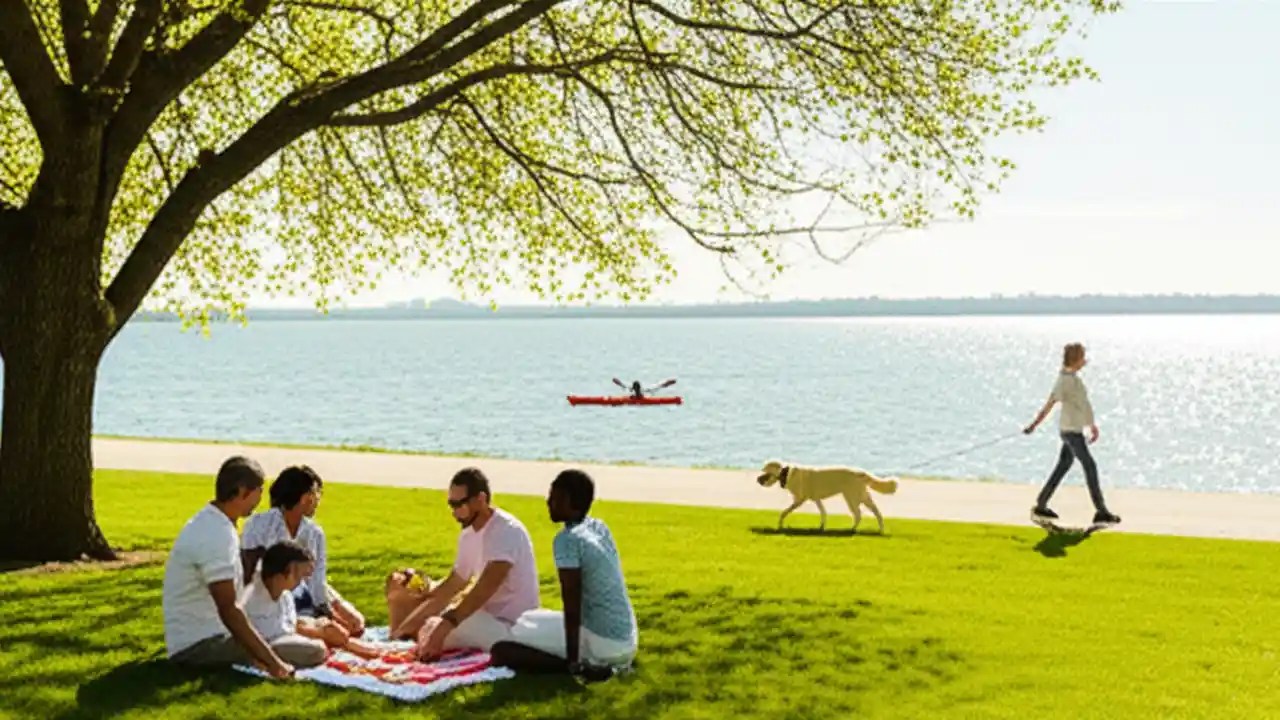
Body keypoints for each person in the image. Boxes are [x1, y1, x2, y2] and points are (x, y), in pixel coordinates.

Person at [162, 456, 324, 676]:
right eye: (258, 490)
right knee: (313, 651)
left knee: (297, 636)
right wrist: (275, 664)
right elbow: (228, 608)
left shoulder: (214, 523)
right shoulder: (215, 533)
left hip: (210, 635)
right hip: (200, 645)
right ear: (241, 491)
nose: (260, 498)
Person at [490, 469, 639, 681]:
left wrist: (573, 659)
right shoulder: (598, 527)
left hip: (604, 645)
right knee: (526, 619)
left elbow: (572, 602)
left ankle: (582, 668)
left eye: (555, 498)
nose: (548, 502)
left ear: (573, 503)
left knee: (501, 650)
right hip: (627, 640)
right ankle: (597, 662)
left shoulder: (567, 540)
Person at [383, 467, 540, 659]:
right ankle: (397, 638)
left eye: (459, 505)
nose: (454, 512)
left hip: (508, 625)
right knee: (399, 588)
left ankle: (403, 640)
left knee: (432, 624)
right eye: (451, 505)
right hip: (480, 616)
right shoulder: (468, 534)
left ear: (480, 500)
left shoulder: (506, 532)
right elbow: (456, 582)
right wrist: (422, 589)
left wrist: (444, 624)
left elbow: (484, 590)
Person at [240, 465, 366, 637]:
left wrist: (332, 610)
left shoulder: (314, 533)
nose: (317, 500)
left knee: (355, 622)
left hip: (304, 600)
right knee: (328, 634)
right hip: (267, 602)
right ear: (305, 497)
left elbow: (317, 581)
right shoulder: (259, 525)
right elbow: (249, 573)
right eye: (316, 494)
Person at [1023, 342, 1122, 525]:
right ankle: (1101, 511)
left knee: (1063, 466)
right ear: (1076, 359)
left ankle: (1041, 505)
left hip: (1073, 430)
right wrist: (1034, 425)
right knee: (1090, 466)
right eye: (1082, 357)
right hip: (1071, 433)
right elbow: (1050, 403)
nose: (1085, 360)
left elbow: (1082, 405)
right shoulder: (1065, 381)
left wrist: (1091, 425)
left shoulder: (1072, 378)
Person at [243, 540, 383, 660]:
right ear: (288, 570)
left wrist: (324, 629)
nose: (301, 582)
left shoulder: (285, 595)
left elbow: (291, 624)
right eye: (300, 576)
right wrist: (322, 635)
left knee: (321, 628)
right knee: (317, 649)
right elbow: (276, 632)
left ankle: (340, 641)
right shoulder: (252, 596)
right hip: (260, 645)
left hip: (280, 636)